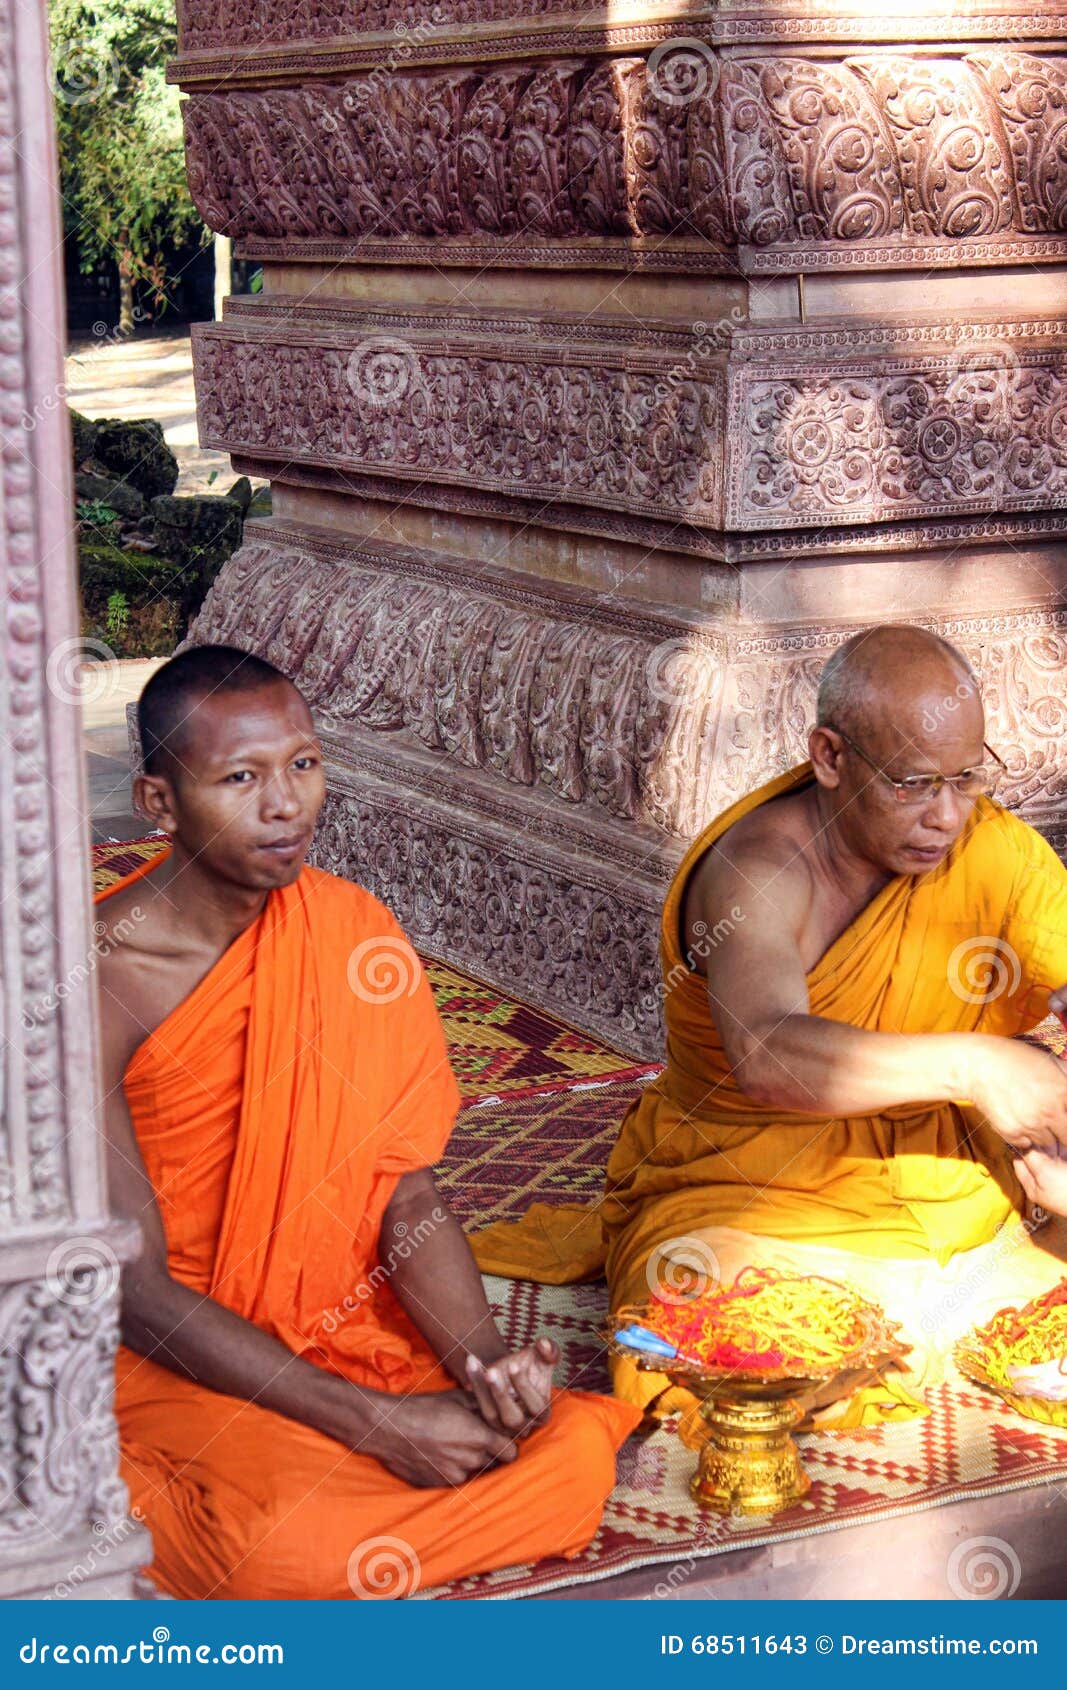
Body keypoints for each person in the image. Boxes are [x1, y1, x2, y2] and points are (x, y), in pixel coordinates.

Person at [96, 644, 638, 1600]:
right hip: (161, 1349)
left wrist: (481, 1361)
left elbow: (403, 1187)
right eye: (240, 778)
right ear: (157, 803)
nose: (285, 804)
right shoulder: (96, 980)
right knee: (271, 1552)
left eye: (304, 764)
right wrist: (374, 1423)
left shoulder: (348, 934)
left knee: (566, 1459)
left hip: (333, 1321)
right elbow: (132, 1290)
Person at [472, 626, 1067, 1421]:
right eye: (913, 784)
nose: (948, 816)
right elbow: (765, 1052)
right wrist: (978, 1067)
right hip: (746, 1192)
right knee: (720, 1348)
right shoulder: (758, 871)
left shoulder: (994, 853)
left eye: (965, 778)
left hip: (949, 1185)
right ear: (828, 756)